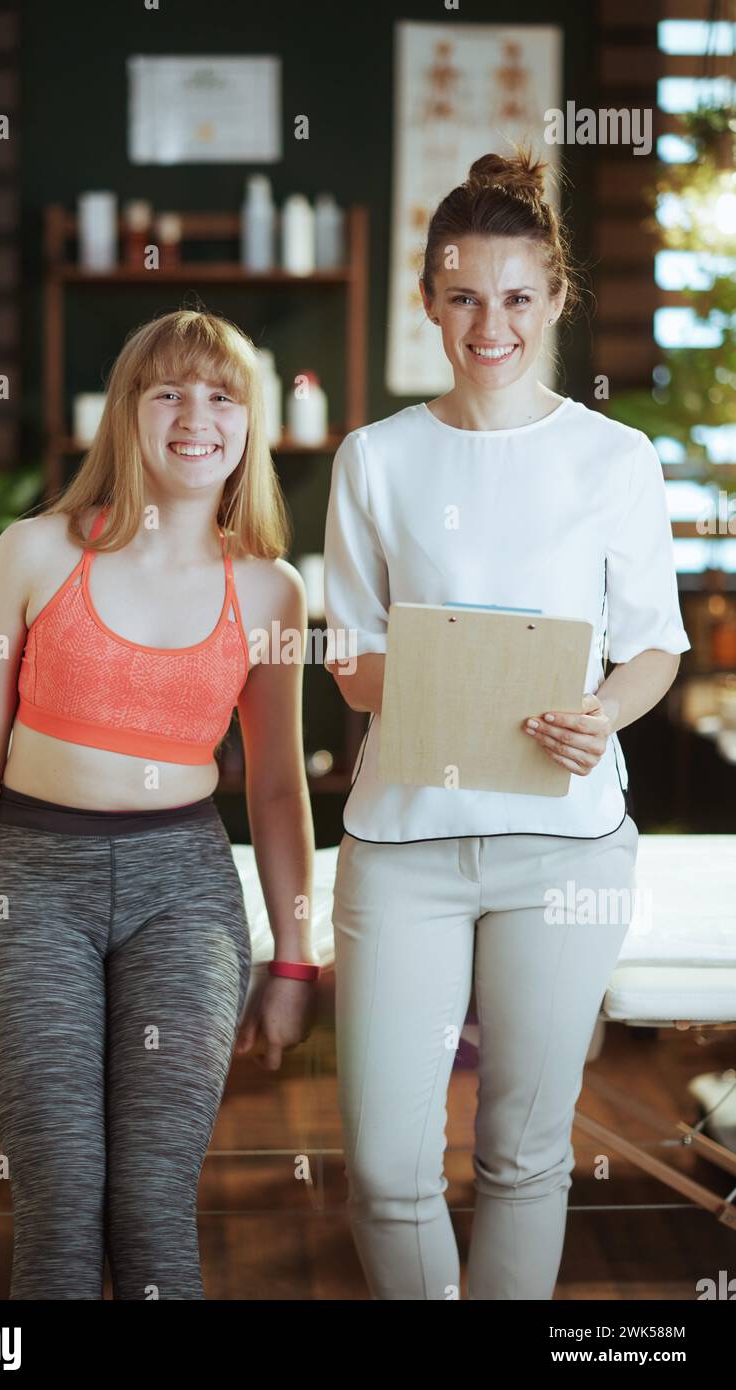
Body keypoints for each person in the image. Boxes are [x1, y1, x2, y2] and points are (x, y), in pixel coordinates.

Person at [323, 146, 691, 1300]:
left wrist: (598, 710)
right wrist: (449, 680)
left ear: (555, 300)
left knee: (523, 1159)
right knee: (386, 1172)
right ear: (429, 301)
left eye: (517, 296)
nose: (491, 323)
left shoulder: (614, 459)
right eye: (464, 295)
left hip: (564, 849)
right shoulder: (373, 458)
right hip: (402, 848)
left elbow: (652, 646)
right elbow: (351, 664)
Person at [0, 308, 317, 1300]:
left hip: (183, 892)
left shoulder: (269, 594)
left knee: (150, 1196)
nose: (195, 415)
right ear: (126, 413)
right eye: (167, 390)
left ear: (247, 425)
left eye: (222, 396)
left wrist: (295, 960)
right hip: (30, 887)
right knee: (57, 1195)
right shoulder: (36, 552)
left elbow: (273, 788)